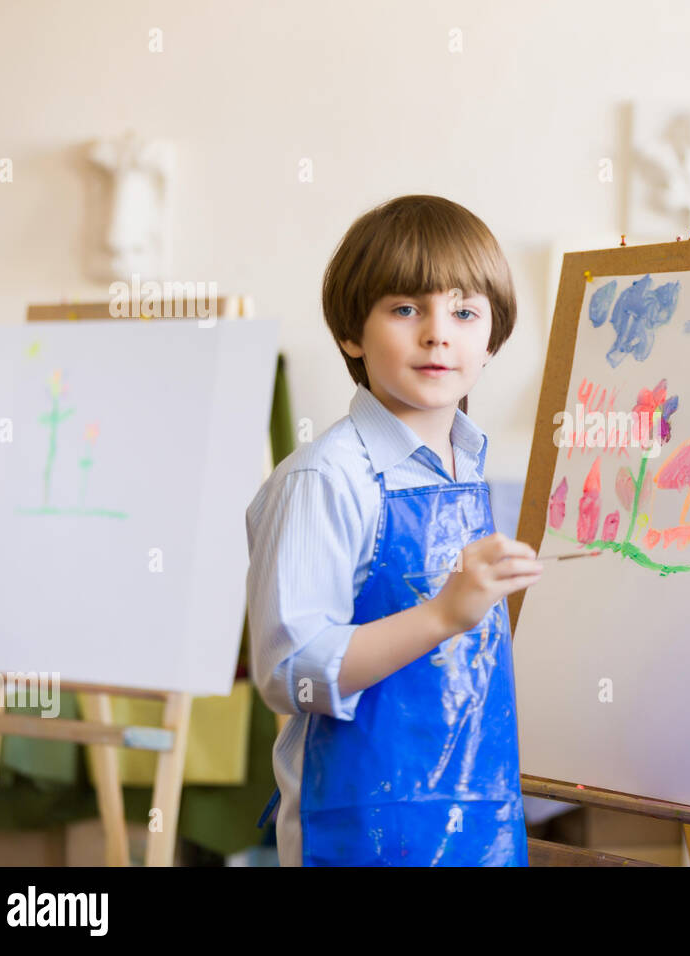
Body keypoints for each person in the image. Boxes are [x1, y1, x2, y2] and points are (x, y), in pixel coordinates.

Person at [247, 195, 543, 865]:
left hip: (481, 820)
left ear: (492, 341)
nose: (438, 333)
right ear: (352, 332)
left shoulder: (467, 464)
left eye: (465, 313)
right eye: (406, 308)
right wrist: (443, 614)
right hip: (362, 833)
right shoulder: (323, 480)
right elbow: (289, 673)